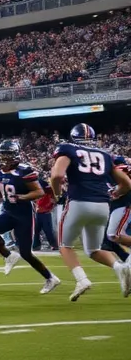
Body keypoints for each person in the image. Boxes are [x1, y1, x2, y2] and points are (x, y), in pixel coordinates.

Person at [49, 124, 131, 300]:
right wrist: (115, 193)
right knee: (93, 249)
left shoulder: (68, 148)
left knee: (65, 245)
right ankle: (120, 267)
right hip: (102, 205)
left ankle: (82, 280)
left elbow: (57, 175)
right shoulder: (105, 154)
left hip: (78, 202)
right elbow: (126, 183)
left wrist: (57, 194)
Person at [0, 140, 61, 294]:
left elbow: (39, 192)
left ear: (15, 155)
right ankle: (8, 255)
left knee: (26, 253)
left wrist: (22, 197)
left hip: (24, 214)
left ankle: (51, 278)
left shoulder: (25, 171)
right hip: (8, 212)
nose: (3, 158)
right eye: (1, 155)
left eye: (7, 155)